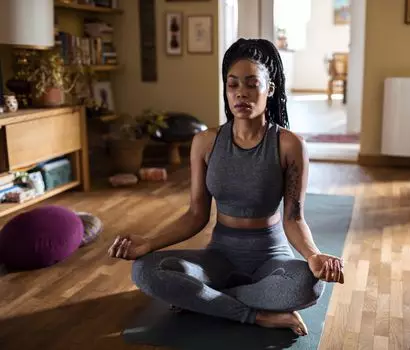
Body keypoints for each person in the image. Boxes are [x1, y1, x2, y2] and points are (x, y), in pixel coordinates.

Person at [108, 38, 344, 337]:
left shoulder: (289, 145)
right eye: (232, 85)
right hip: (218, 259)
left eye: (251, 84)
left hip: (270, 260)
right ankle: (255, 314)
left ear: (269, 89)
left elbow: (294, 217)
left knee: (309, 285)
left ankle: (204, 299)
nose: (241, 93)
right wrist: (149, 243)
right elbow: (195, 214)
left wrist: (313, 256)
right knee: (143, 270)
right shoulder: (205, 142)